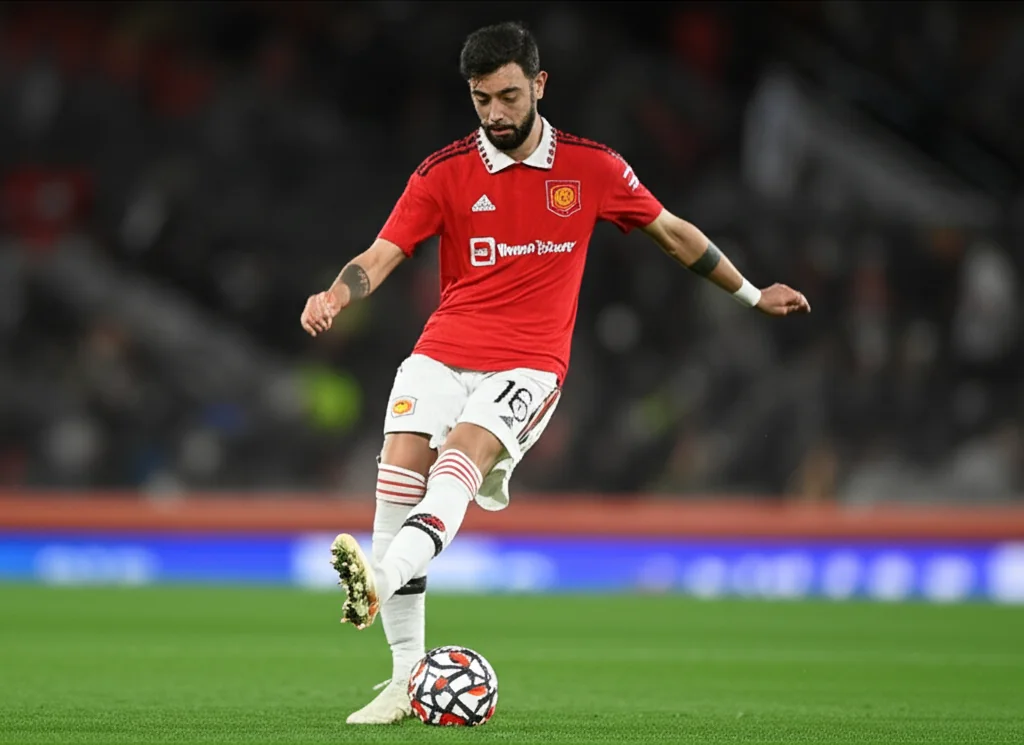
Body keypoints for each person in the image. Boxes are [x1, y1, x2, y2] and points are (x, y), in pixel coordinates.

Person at [299, 21, 810, 725]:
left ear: (539, 85)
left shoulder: (592, 168)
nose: (497, 114)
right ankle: (400, 679)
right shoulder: (444, 171)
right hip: (444, 349)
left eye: (509, 96)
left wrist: (751, 292)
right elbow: (382, 253)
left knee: (462, 456)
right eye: (482, 100)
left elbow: (673, 231)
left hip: (529, 365)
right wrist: (335, 294)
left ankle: (381, 578)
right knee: (398, 469)